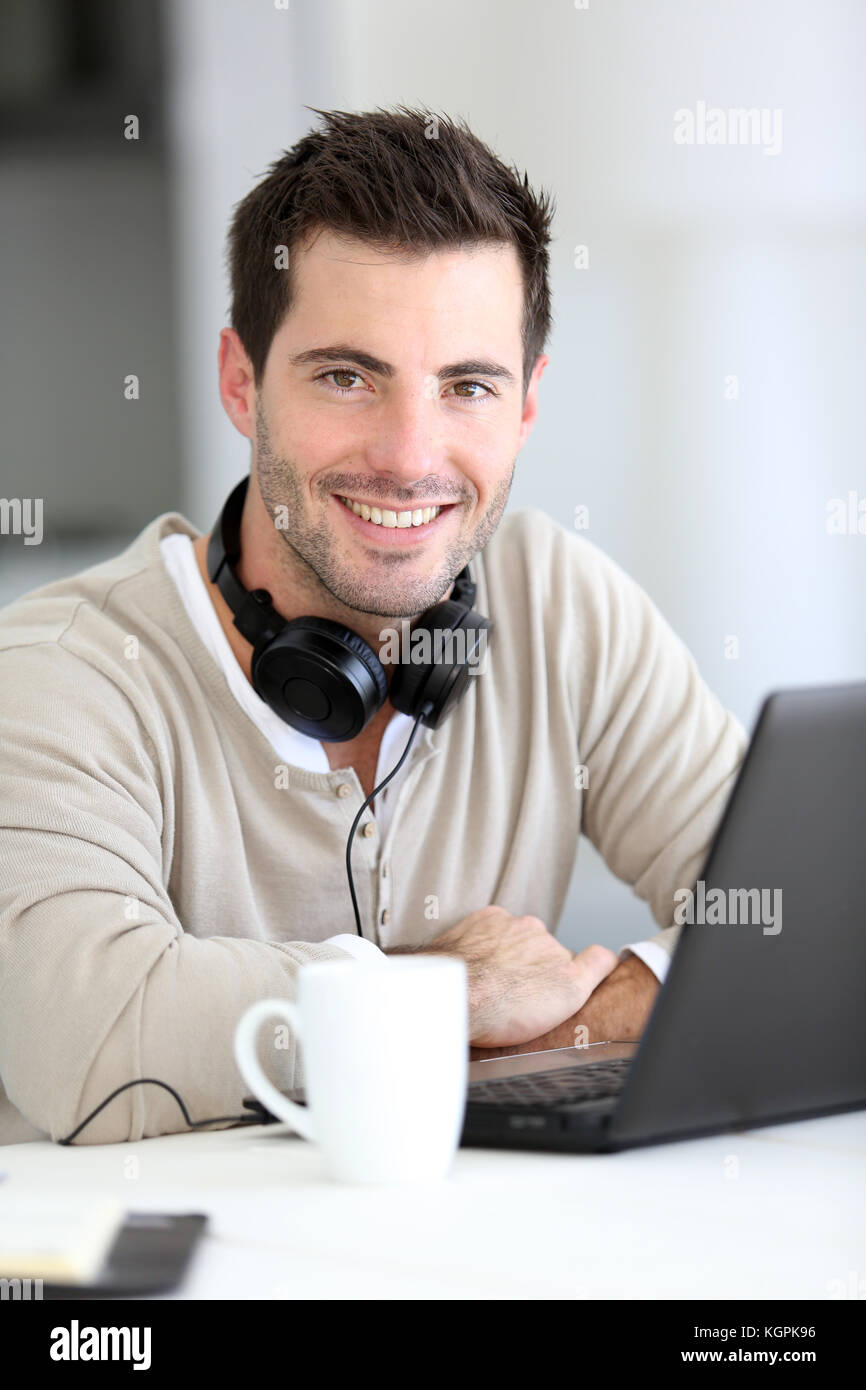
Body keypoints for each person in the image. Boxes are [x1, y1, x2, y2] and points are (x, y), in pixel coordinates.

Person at [0, 106, 746, 1144]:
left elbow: (804, 917)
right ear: (239, 380)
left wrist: (589, 999)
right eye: (347, 376)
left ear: (525, 405)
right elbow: (88, 1042)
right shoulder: (57, 676)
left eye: (466, 386)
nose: (408, 454)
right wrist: (453, 993)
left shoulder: (559, 605)